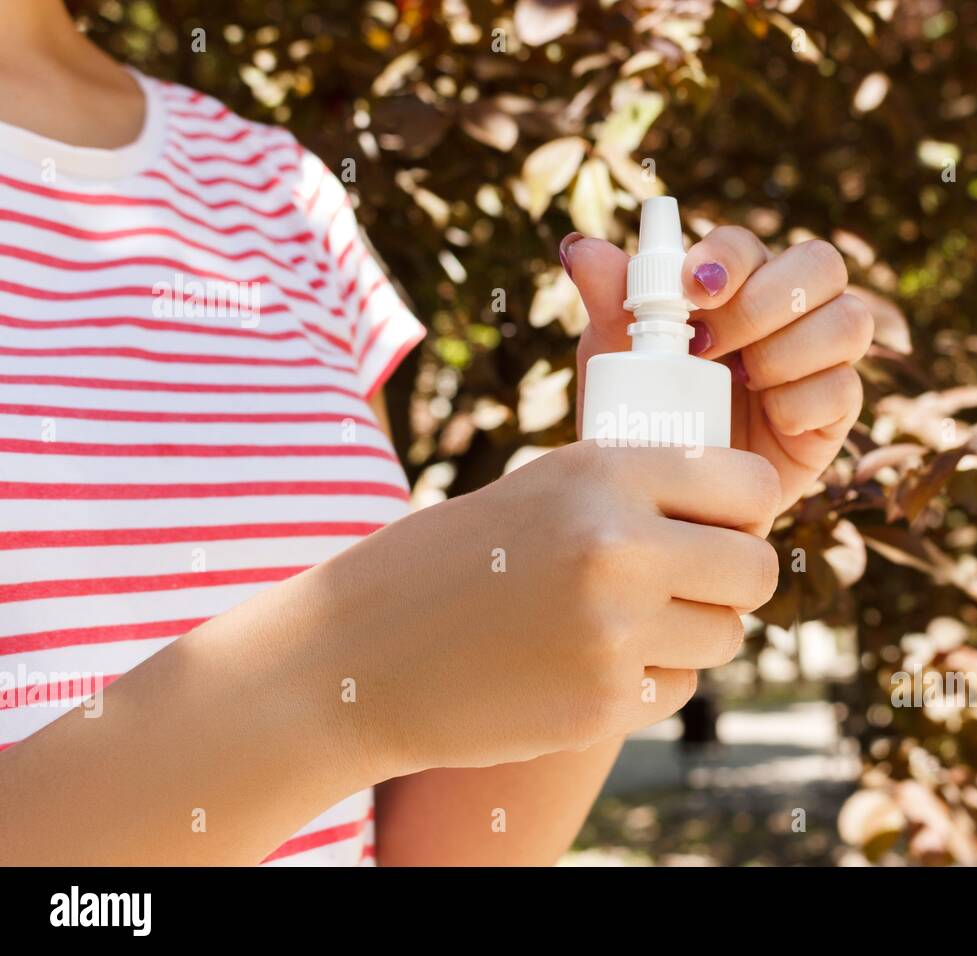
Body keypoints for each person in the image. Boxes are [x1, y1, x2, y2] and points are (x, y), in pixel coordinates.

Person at [0, 1, 875, 865]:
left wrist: (650, 517)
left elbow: (421, 851)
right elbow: (354, 703)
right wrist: (346, 675)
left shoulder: (272, 187)